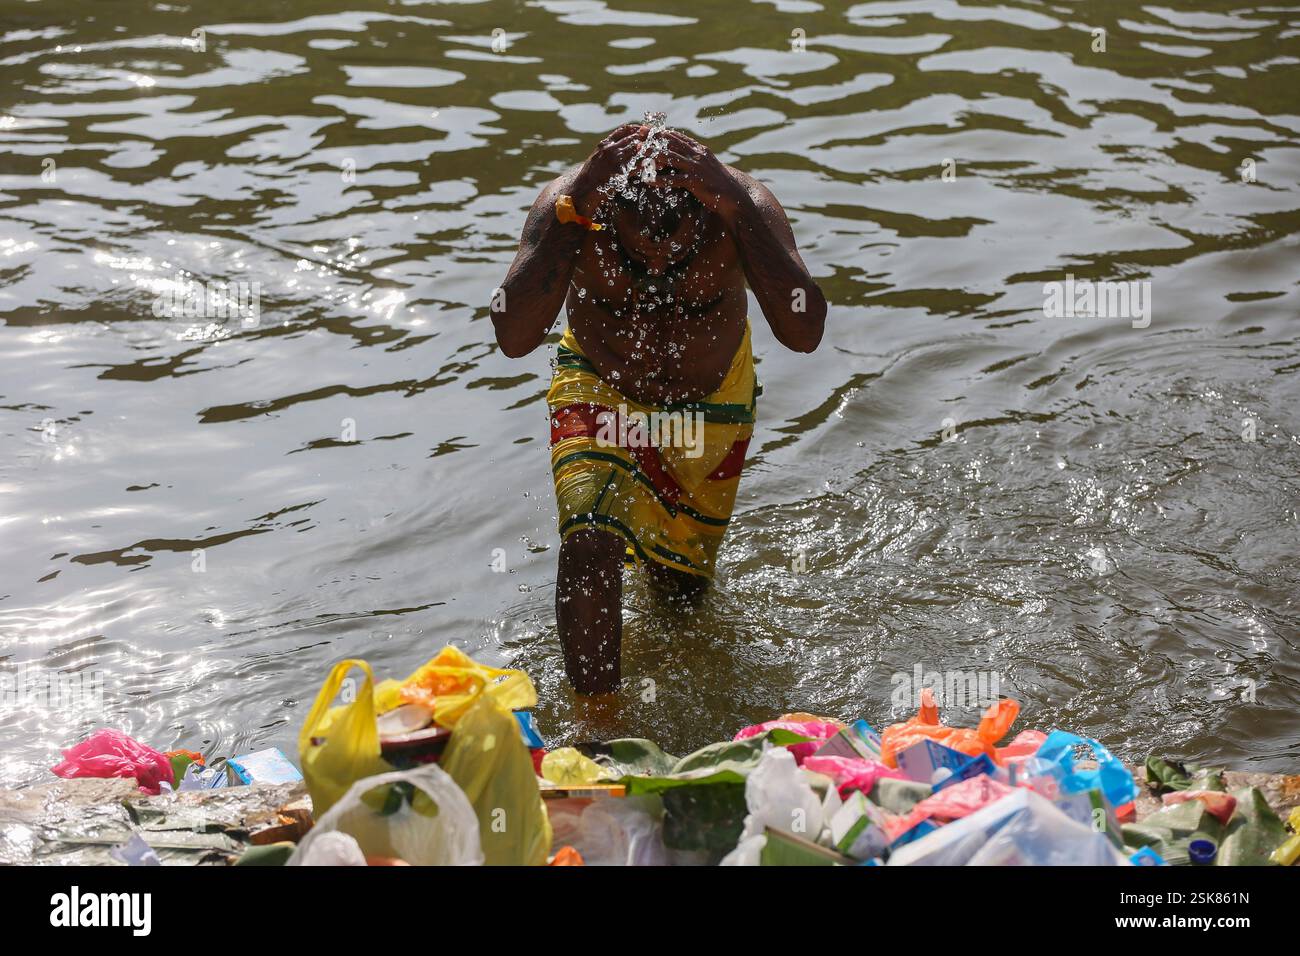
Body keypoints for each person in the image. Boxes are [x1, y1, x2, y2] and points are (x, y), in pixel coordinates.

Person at [492, 123, 827, 693]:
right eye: (636, 248)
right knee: (588, 543)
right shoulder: (572, 204)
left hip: (712, 404)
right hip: (599, 385)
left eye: (676, 252)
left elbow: (804, 331)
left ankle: (680, 689)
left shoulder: (741, 202)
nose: (655, 267)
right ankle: (598, 730)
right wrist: (572, 216)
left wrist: (741, 214)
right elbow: (514, 334)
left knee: (679, 597)